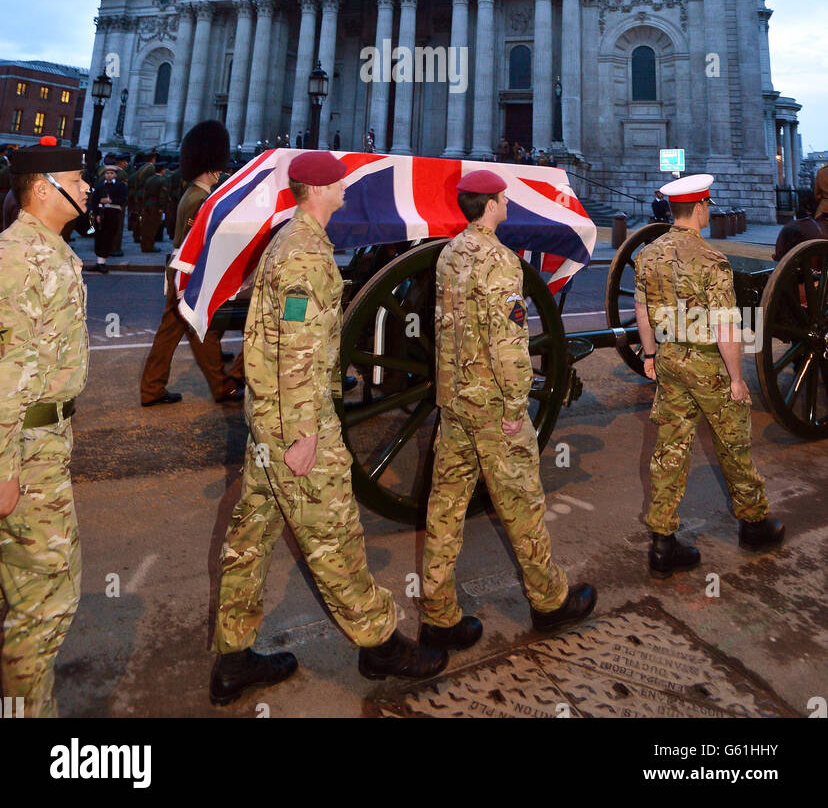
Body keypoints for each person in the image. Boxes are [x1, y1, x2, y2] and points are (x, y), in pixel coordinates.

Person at [210, 150, 446, 706]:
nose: (347, 187)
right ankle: (381, 643)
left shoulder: (289, 240)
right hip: (295, 424)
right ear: (319, 190)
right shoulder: (306, 255)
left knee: (250, 538)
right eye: (340, 181)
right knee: (334, 536)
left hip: (269, 422)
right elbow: (296, 350)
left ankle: (233, 658)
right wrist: (303, 434)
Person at [419, 169, 597, 649]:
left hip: (455, 402)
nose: (506, 205)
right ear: (492, 204)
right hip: (494, 407)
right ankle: (550, 602)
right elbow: (509, 344)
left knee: (446, 508)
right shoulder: (501, 262)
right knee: (522, 504)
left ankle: (438, 613)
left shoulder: (448, 254)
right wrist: (517, 404)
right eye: (503, 199)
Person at [634, 173, 784, 578]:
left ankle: (662, 544)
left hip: (669, 358)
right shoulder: (711, 260)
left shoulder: (648, 254)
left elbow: (644, 312)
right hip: (706, 364)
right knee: (734, 442)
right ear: (700, 208)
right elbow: (725, 326)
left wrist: (650, 354)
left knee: (669, 448)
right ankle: (754, 524)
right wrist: (737, 379)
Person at [0, 137, 90, 717]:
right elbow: (8, 376)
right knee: (45, 599)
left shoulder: (45, 250)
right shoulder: (22, 256)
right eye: (76, 180)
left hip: (41, 443)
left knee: (31, 595)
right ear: (41, 189)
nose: (87, 188)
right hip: (24, 453)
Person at [141, 122, 243, 408]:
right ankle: (223, 386)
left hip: (179, 267)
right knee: (202, 329)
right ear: (209, 167)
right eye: (218, 168)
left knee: (170, 333)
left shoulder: (193, 193)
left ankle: (152, 388)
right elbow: (197, 241)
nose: (221, 173)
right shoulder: (200, 198)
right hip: (188, 270)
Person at [89, 164, 127, 272]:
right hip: (101, 214)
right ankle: (99, 261)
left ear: (115, 175)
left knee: (108, 237)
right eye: (107, 173)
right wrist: (96, 215)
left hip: (112, 214)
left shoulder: (120, 186)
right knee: (99, 237)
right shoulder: (100, 187)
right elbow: (94, 202)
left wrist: (111, 201)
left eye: (111, 173)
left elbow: (123, 199)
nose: (109, 175)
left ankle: (102, 262)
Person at [139, 159, 169, 252]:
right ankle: (149, 246)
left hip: (148, 204)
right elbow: (162, 195)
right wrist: (161, 207)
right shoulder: (163, 180)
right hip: (155, 206)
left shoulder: (149, 179)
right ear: (162, 170)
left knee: (146, 226)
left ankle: (144, 245)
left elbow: (145, 193)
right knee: (153, 227)